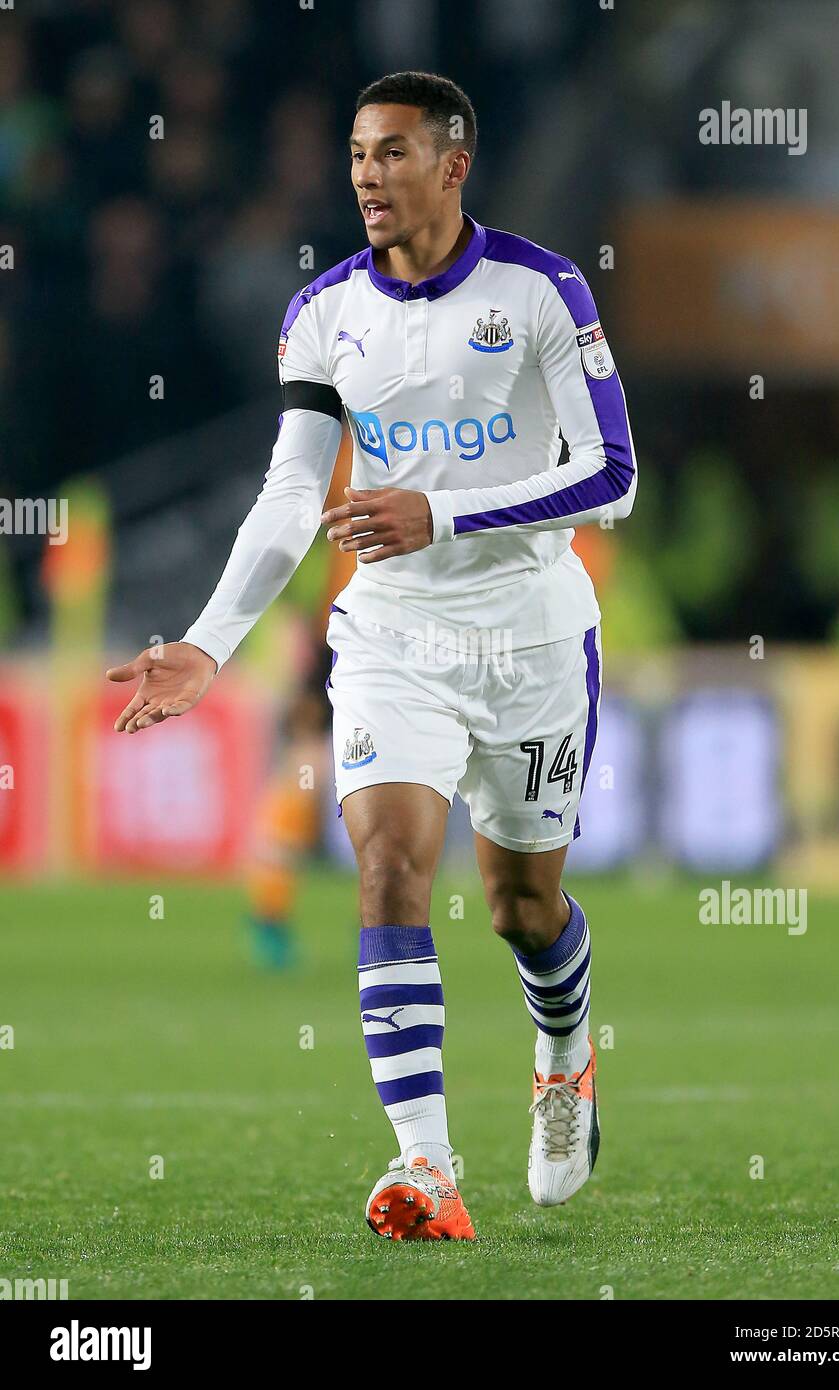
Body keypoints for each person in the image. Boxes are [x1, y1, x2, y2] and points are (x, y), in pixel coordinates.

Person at [107, 70, 637, 1242]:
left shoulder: (541, 289)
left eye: (392, 152)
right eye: (355, 152)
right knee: (390, 867)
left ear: (453, 165)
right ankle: (428, 1167)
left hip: (532, 638)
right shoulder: (322, 312)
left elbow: (615, 474)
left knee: (521, 907)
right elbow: (293, 490)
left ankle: (563, 1059)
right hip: (392, 636)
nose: (365, 174)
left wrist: (442, 513)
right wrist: (205, 643)